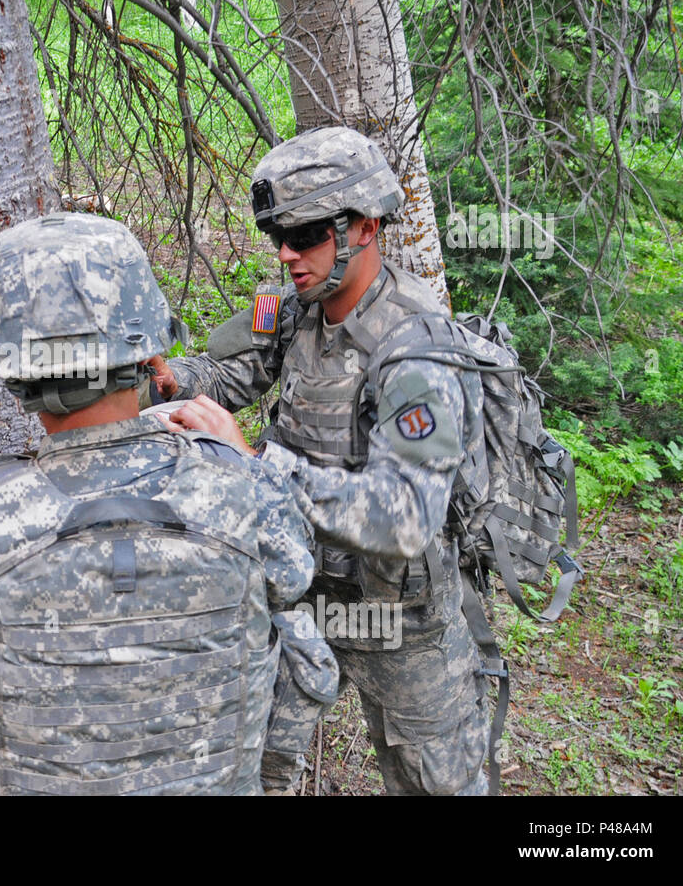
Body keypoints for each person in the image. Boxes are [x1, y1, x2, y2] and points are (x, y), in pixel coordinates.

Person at [0, 212, 337, 796]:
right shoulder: (245, 489)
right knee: (293, 634)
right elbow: (293, 578)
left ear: (12, 375)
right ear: (148, 354)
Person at [148, 126, 492, 796]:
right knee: (256, 762)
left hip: (401, 616)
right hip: (300, 585)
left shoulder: (415, 347)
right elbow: (234, 370)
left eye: (305, 235)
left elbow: (406, 518)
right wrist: (171, 382)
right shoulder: (294, 306)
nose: (287, 253)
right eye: (281, 235)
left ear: (363, 225)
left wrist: (256, 463)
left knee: (437, 782)